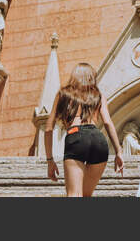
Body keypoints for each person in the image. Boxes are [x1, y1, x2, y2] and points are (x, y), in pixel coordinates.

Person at [46, 62, 123, 197]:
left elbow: (48, 129)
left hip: (76, 136)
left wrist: (50, 160)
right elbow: (107, 122)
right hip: (98, 138)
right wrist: (119, 151)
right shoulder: (98, 96)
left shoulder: (63, 94)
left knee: (74, 194)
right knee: (86, 195)